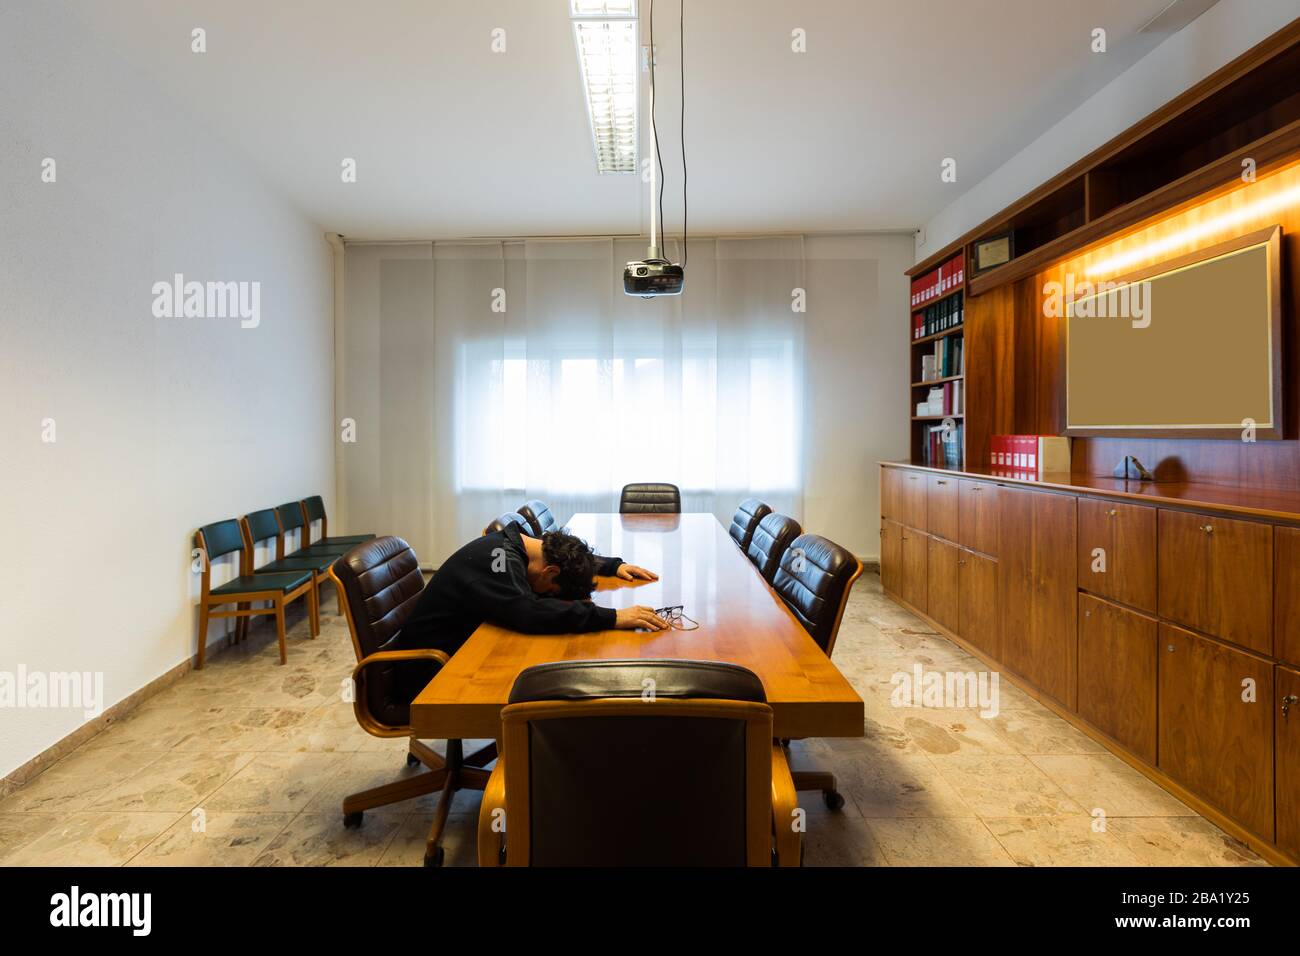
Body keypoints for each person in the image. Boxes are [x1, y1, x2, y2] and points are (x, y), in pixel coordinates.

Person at [396, 521, 668, 659]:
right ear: (551, 572)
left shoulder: (519, 545)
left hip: (458, 646)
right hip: (428, 671)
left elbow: (563, 552)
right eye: (550, 591)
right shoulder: (498, 562)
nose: (546, 595)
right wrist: (613, 617)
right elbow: (529, 612)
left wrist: (611, 566)